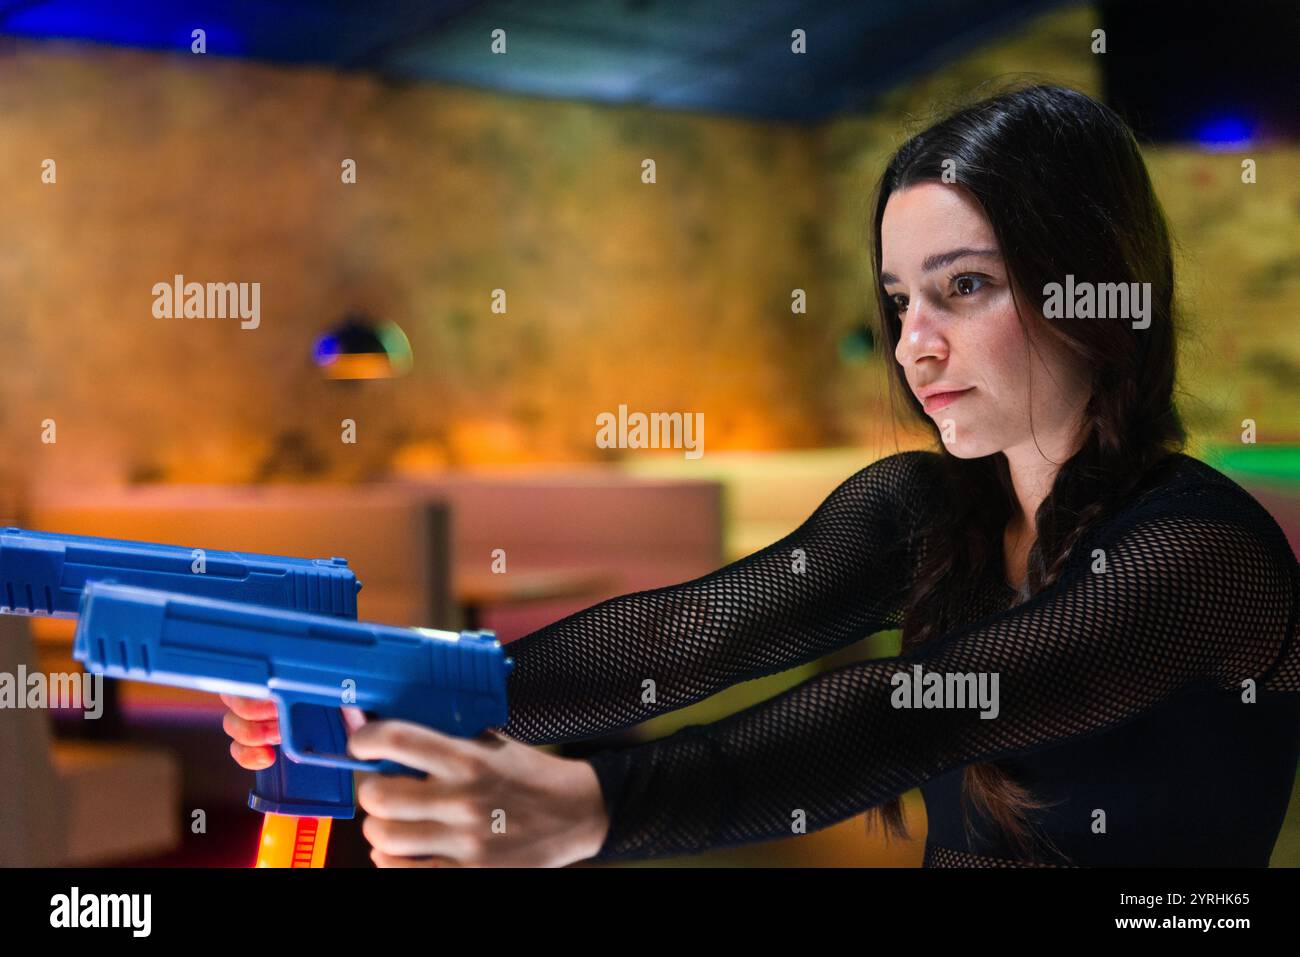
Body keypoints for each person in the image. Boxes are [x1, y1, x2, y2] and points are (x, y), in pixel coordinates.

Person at [222, 83, 1299, 868]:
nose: (913, 344)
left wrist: (597, 805)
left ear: (1091, 289)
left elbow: (911, 711)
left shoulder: (1197, 557)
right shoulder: (925, 507)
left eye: (962, 287)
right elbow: (686, 636)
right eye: (899, 300)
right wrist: (382, 700)